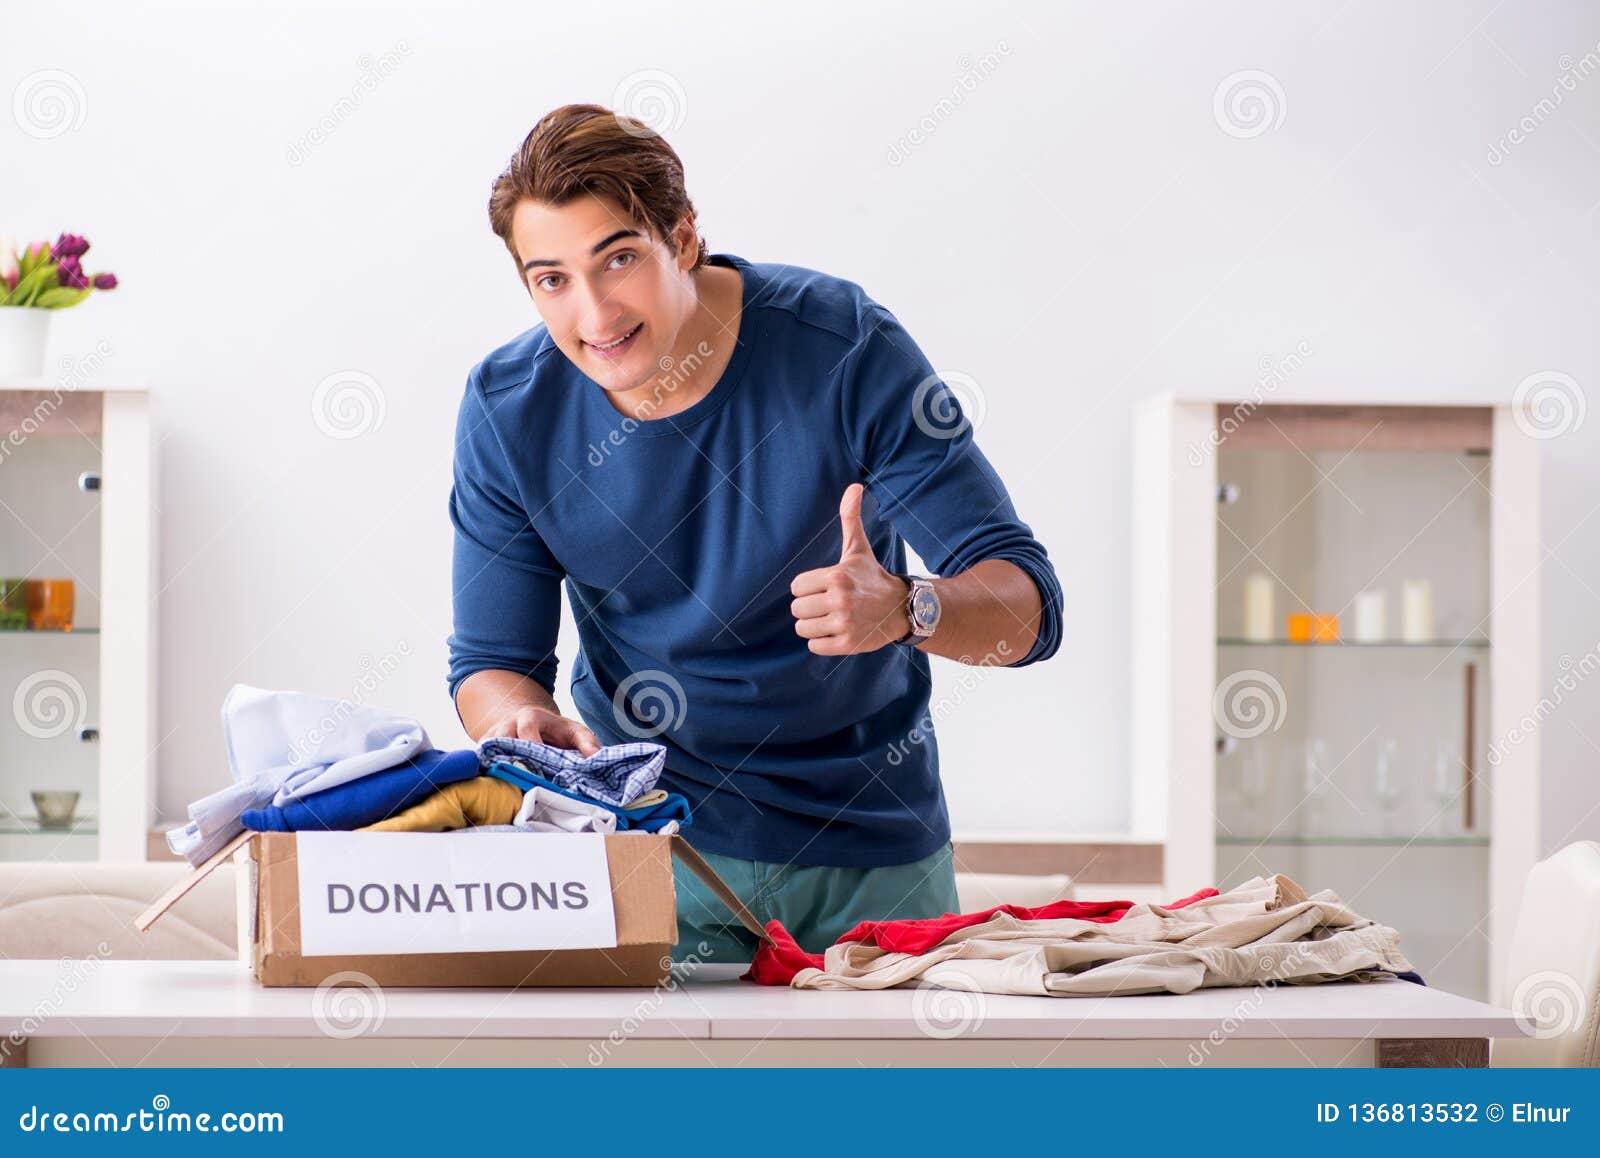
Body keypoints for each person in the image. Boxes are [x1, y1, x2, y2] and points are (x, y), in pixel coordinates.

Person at [448, 103, 1063, 963]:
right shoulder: (509, 409)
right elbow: (490, 664)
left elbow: (1030, 613)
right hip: (647, 845)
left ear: (685, 239)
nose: (593, 314)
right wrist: (520, 722)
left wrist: (909, 609)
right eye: (551, 278)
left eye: (618, 258)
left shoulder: (843, 347)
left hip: (872, 851)